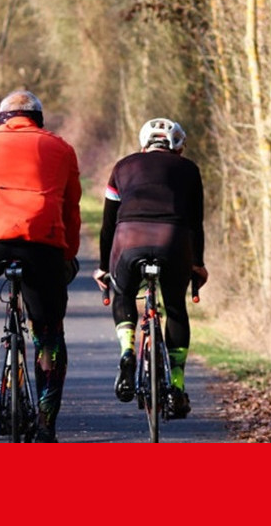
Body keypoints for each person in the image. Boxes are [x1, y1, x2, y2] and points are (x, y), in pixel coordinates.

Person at [0, 90, 82, 443]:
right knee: (50, 336)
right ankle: (45, 426)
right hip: (43, 244)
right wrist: (68, 254)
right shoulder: (62, 149)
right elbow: (71, 209)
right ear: (38, 120)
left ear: (2, 119)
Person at [92, 117, 208, 419]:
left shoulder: (122, 167)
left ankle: (128, 350)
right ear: (178, 147)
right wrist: (198, 264)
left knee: (124, 294)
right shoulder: (190, 169)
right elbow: (196, 223)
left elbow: (108, 225)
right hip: (174, 241)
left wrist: (104, 267)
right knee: (175, 308)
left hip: (129, 239)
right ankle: (178, 386)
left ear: (144, 143)